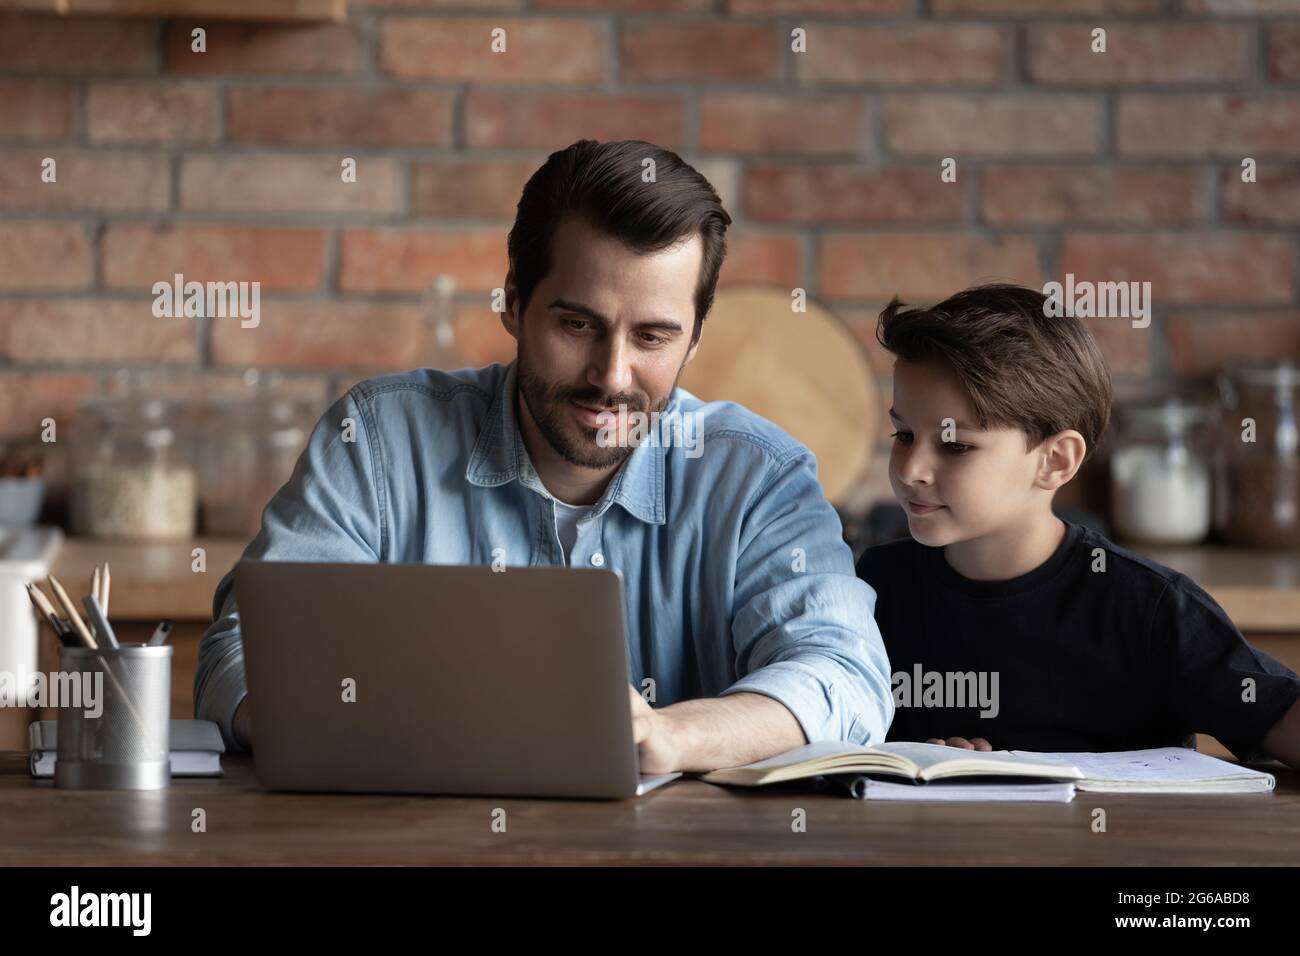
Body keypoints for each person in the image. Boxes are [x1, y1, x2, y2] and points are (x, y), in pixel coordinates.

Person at [195, 139, 894, 774]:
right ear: (513, 303)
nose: (612, 376)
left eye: (653, 337)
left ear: (695, 339)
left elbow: (845, 673)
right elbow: (241, 655)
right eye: (577, 324)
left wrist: (675, 736)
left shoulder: (760, 478)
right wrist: (381, 725)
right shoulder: (377, 439)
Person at [856, 283, 1300, 768]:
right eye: (904, 434)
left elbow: (1278, 718)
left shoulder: (1148, 608)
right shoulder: (871, 589)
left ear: (1055, 461)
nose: (910, 469)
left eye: (955, 445)